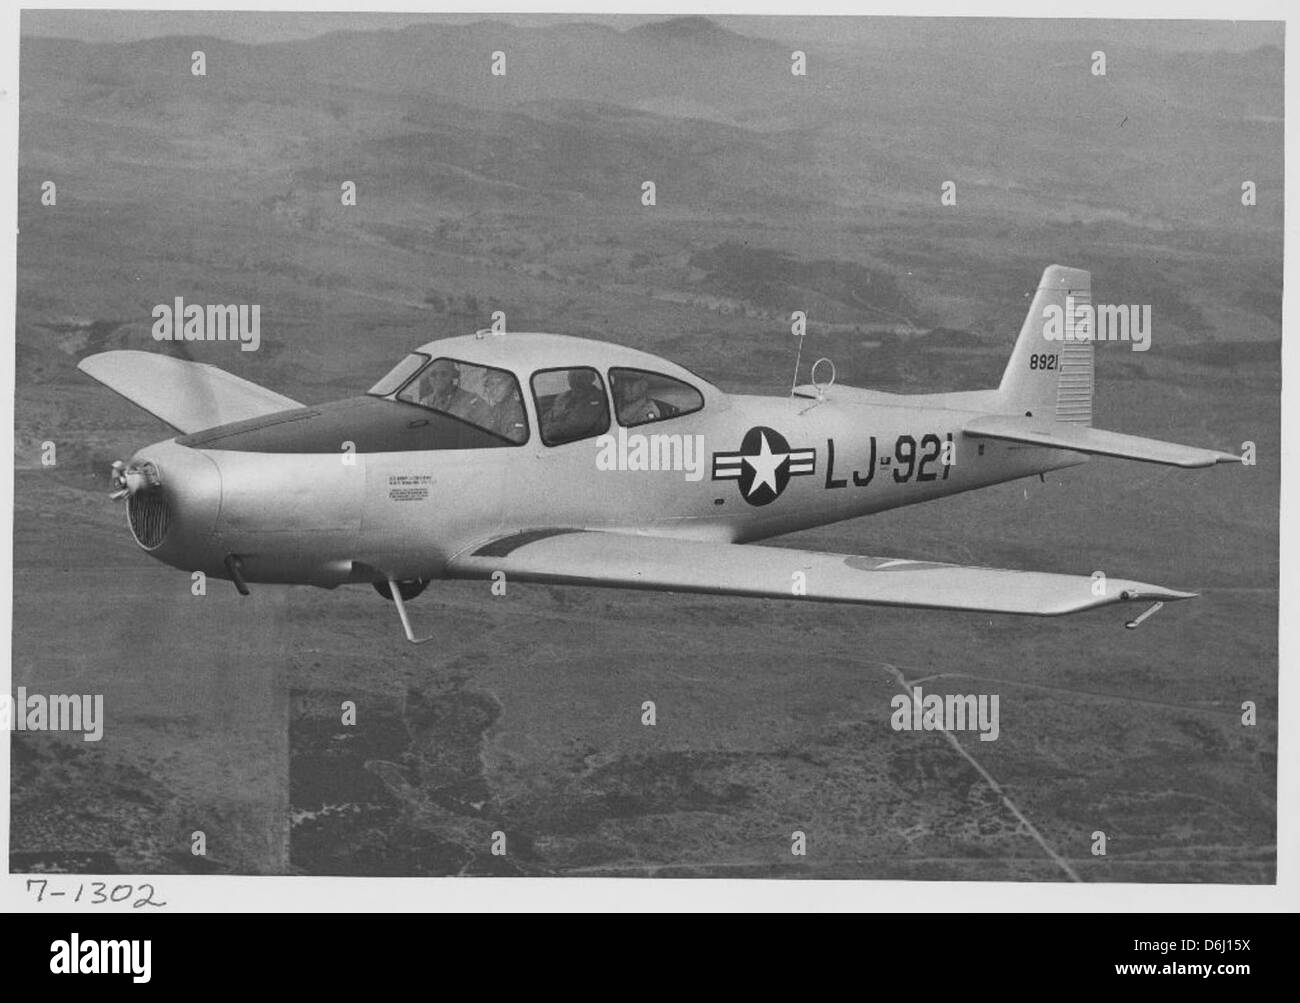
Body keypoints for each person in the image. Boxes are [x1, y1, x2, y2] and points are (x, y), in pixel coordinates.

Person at [545, 369, 608, 441]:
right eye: (572, 375)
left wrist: (545, 431)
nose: (576, 379)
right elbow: (549, 415)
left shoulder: (598, 398)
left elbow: (574, 427)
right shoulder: (562, 397)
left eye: (581, 376)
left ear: (591, 378)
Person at [415, 359, 482, 421]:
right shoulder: (424, 403)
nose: (438, 378)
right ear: (428, 378)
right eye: (433, 374)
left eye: (444, 374)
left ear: (453, 375)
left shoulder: (471, 401)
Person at [475, 368, 528, 443]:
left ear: (511, 385)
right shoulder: (498, 407)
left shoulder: (514, 413)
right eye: (491, 384)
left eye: (500, 383)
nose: (494, 389)